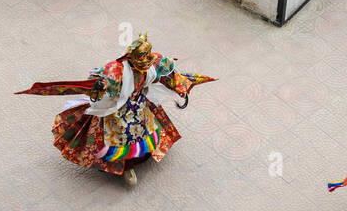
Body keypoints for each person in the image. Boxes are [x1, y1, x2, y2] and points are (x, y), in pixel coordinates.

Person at [17, 32, 214, 187]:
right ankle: (125, 167)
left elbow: (169, 75)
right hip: (117, 110)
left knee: (146, 131)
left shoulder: (155, 63)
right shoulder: (117, 70)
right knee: (118, 140)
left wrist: (179, 87)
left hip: (139, 105)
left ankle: (138, 158)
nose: (144, 66)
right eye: (140, 61)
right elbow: (105, 86)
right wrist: (103, 86)